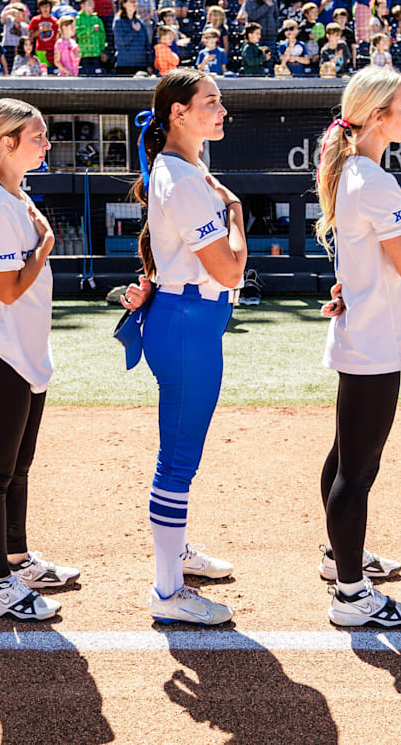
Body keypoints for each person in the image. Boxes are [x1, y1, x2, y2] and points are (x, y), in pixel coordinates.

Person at [118, 68, 246, 625]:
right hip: (189, 319)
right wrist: (238, 217)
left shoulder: (184, 169)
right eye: (210, 102)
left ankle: (178, 554)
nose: (221, 111)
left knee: (180, 457)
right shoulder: (183, 176)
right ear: (178, 112)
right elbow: (228, 267)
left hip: (188, 315)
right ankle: (168, 591)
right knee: (177, 461)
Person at [0, 98, 80, 621]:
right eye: (38, 137)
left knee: (18, 467)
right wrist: (46, 243)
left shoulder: (10, 194)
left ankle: (16, 558)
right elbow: (7, 290)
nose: (46, 144)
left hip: (21, 352)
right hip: (3, 356)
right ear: (6, 143)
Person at [308, 67, 401, 626]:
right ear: (377, 116)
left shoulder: (357, 172)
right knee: (357, 469)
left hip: (364, 336)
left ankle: (341, 558)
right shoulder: (373, 180)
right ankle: (352, 594)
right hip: (373, 343)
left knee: (345, 459)